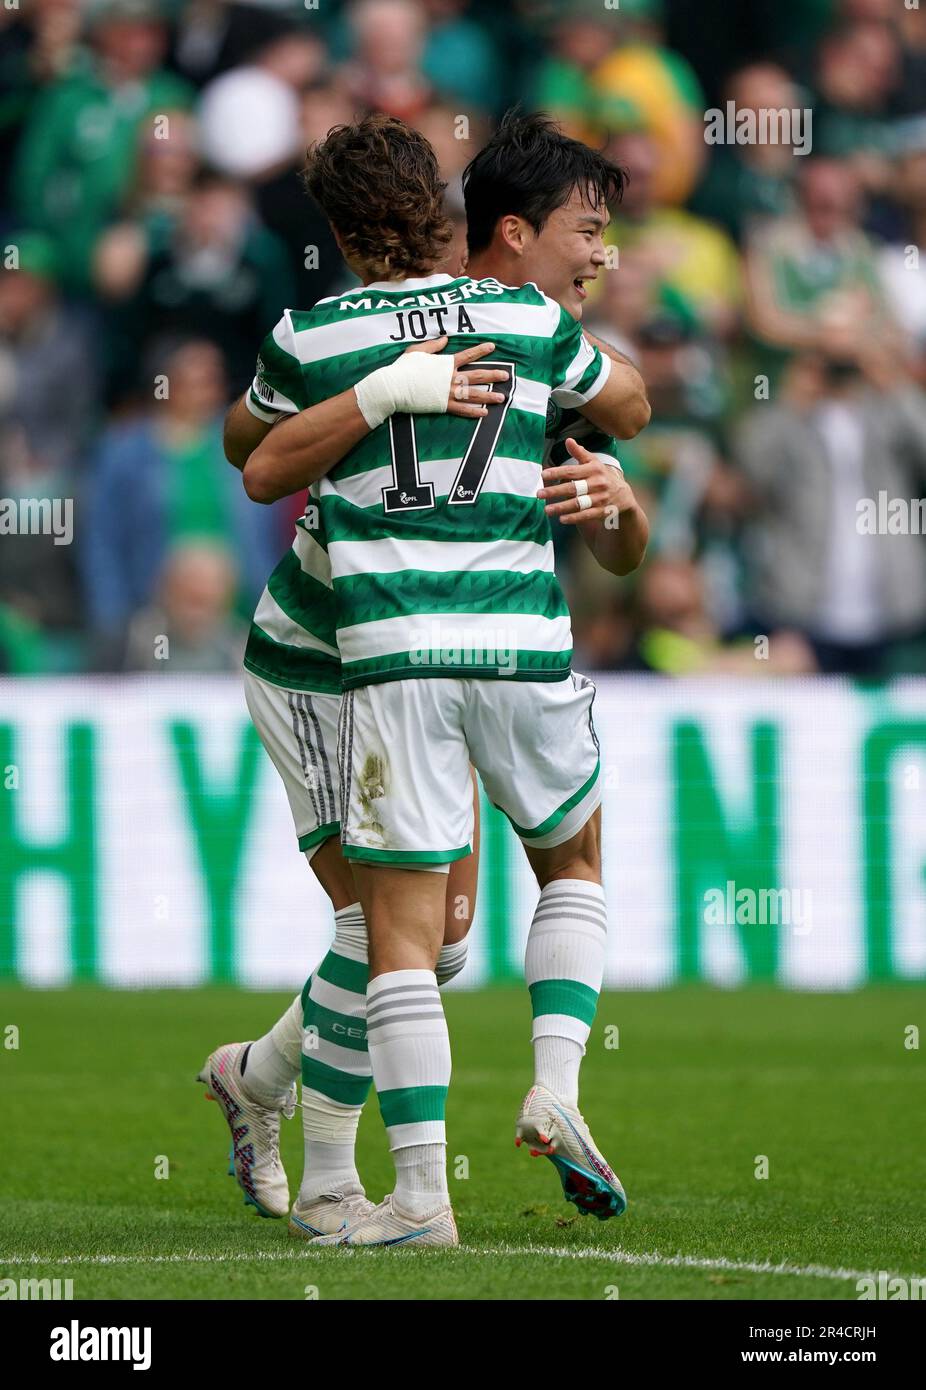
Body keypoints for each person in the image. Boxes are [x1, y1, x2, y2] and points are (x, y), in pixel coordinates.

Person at [221, 113, 649, 1249]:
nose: (597, 253)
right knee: (385, 926)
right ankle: (328, 1180)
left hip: (394, 651)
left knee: (433, 938)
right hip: (319, 661)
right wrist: (386, 394)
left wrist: (374, 391)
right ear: (454, 215)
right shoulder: (523, 320)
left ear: (338, 232)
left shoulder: (312, 333)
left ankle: (259, 1084)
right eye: (585, 233)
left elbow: (245, 454)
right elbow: (256, 458)